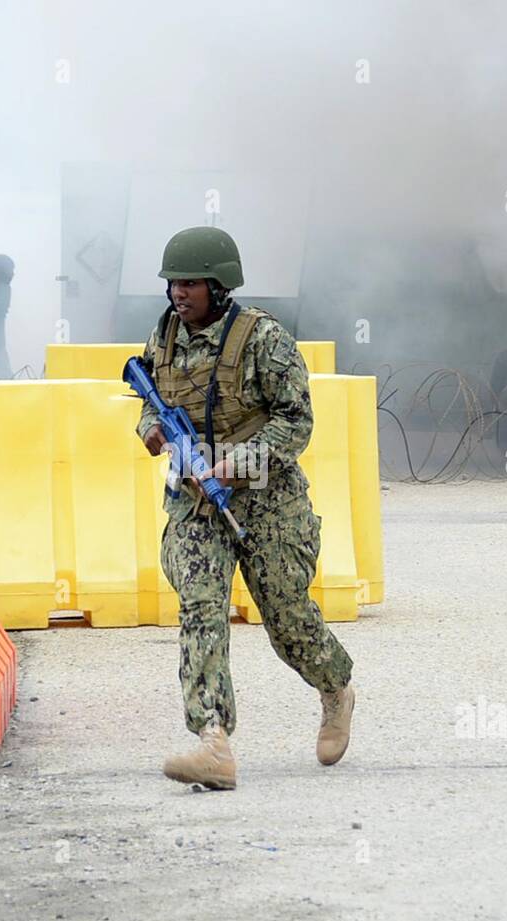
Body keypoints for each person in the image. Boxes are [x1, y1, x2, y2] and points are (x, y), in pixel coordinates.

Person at [136, 226, 355, 791]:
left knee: (285, 617)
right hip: (196, 506)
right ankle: (213, 741)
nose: (179, 293)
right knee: (201, 608)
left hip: (266, 503)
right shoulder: (163, 338)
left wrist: (236, 463)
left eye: (190, 283)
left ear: (218, 285)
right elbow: (147, 401)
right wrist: (153, 431)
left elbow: (296, 421)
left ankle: (335, 686)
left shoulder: (264, 340)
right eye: (172, 283)